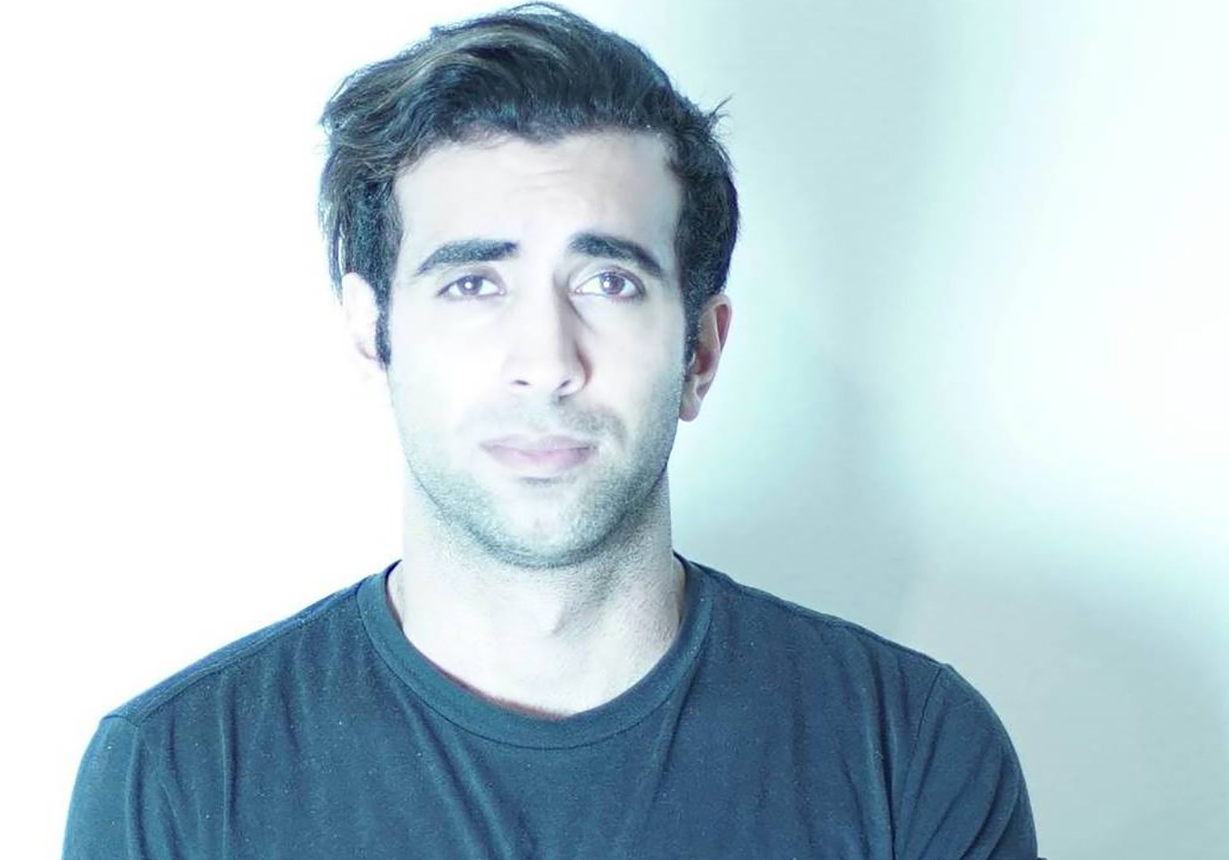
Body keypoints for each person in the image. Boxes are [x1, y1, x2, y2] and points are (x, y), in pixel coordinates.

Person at [62, 4, 1039, 857]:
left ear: (700, 351)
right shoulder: (176, 773)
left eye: (608, 281)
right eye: (472, 283)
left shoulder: (913, 749)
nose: (544, 357)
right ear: (373, 334)